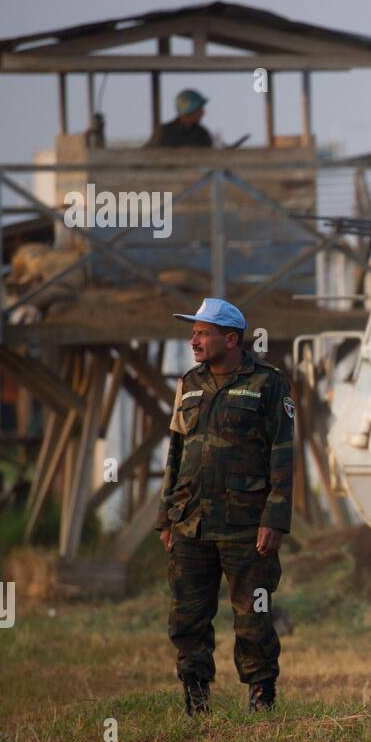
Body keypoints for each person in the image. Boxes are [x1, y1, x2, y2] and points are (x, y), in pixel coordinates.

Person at [155, 297, 295, 714]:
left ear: (231, 338)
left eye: (202, 332)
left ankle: (261, 697)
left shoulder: (268, 384)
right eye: (193, 332)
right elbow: (175, 452)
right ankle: (195, 699)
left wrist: (275, 518)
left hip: (245, 527)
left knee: (253, 615)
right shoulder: (189, 383)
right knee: (187, 618)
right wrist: (166, 516)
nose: (194, 340)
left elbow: (283, 454)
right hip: (190, 525)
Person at [147, 89, 214, 148]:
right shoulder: (163, 132)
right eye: (199, 109)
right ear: (190, 110)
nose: (203, 113)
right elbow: (149, 154)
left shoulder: (202, 134)